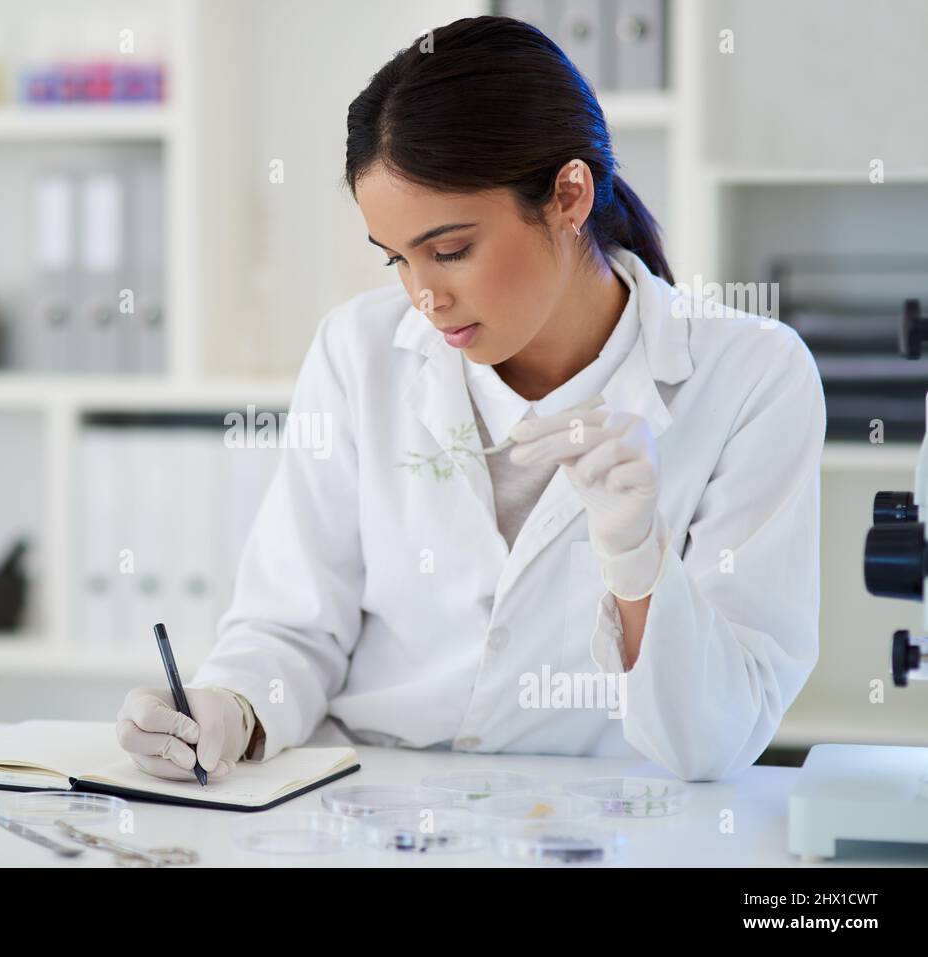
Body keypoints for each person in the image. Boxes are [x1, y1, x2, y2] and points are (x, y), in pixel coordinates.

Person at [116, 15, 825, 783]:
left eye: (451, 251)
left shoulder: (753, 376)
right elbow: (293, 624)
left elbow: (717, 736)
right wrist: (235, 705)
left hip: (607, 824)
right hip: (372, 803)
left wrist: (639, 562)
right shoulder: (358, 351)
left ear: (569, 195)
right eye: (398, 259)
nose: (425, 297)